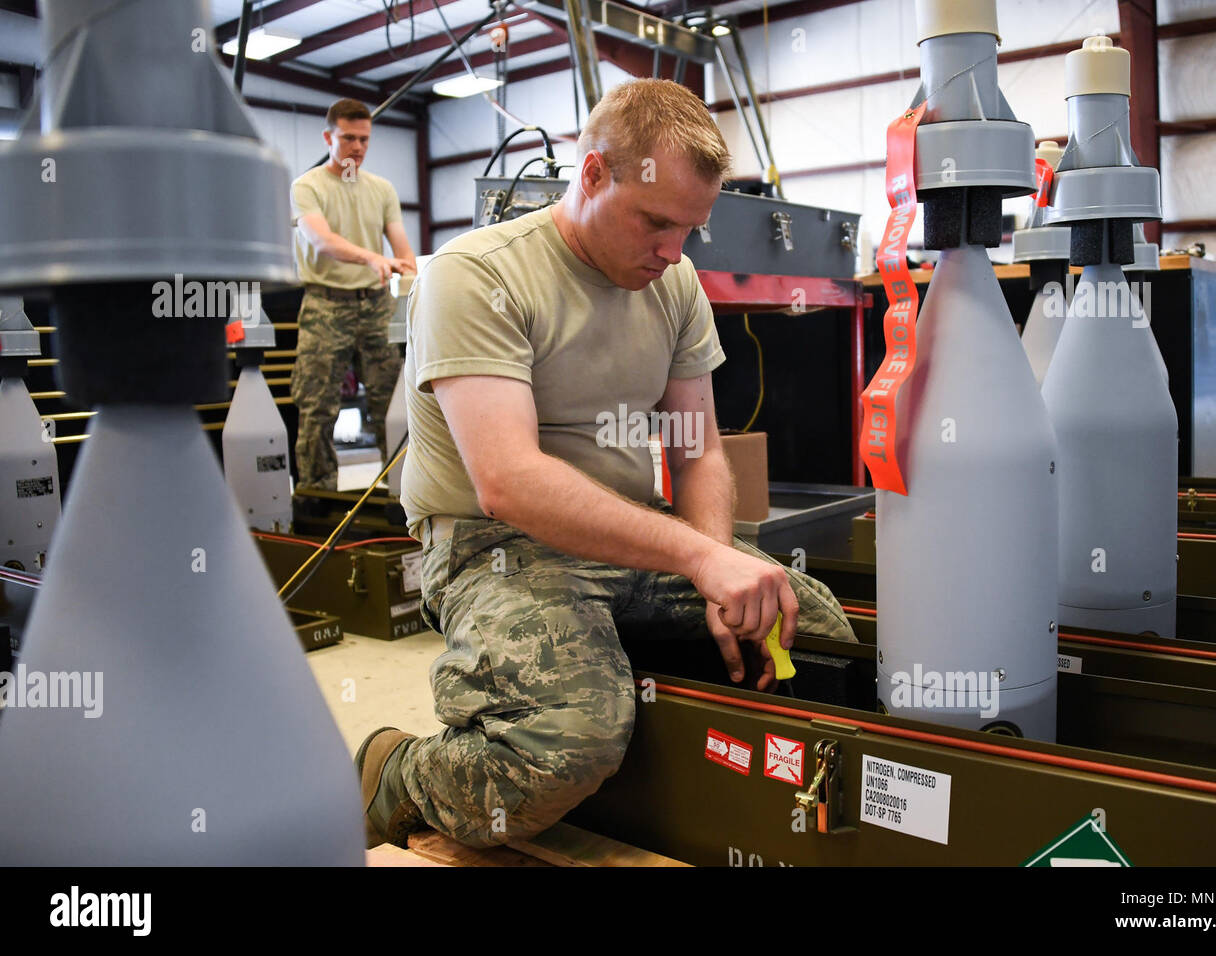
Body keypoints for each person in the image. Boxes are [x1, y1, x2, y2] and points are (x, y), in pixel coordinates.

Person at [356, 79, 857, 850]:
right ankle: (398, 772)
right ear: (591, 174)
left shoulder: (675, 283)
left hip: (631, 541)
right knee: (572, 740)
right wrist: (698, 557)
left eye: (690, 229)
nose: (672, 251)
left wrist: (716, 563)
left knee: (812, 627)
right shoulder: (476, 274)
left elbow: (698, 453)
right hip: (495, 551)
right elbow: (509, 483)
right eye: (655, 221)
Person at [289, 98, 417, 490]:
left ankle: (403, 490)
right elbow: (322, 240)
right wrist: (371, 258)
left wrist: (414, 273)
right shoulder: (307, 187)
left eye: (364, 139)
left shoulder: (381, 190)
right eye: (348, 138)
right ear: (329, 137)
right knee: (317, 404)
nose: (357, 148)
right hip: (326, 304)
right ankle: (317, 492)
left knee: (393, 403)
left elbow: (403, 251)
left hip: (376, 306)